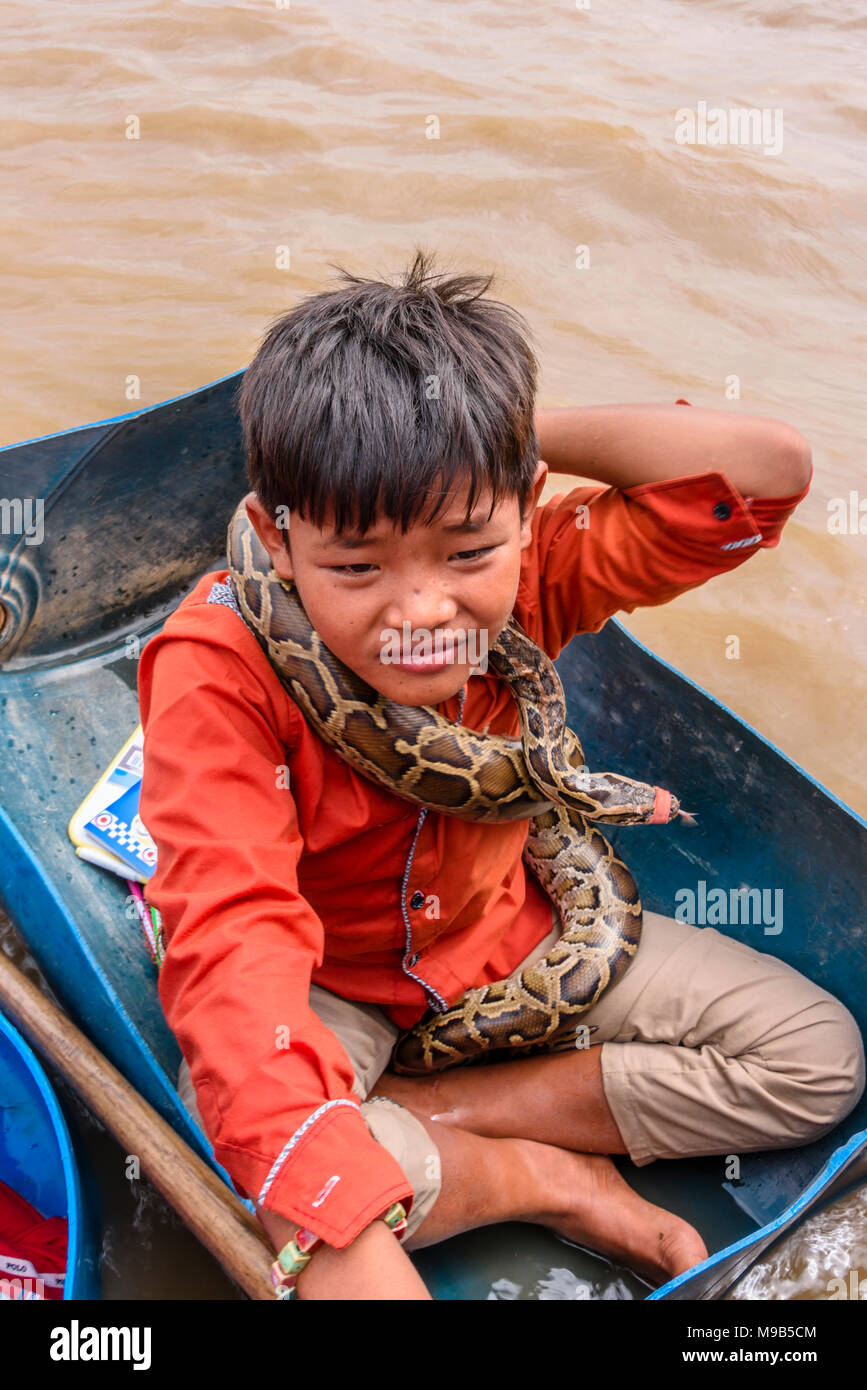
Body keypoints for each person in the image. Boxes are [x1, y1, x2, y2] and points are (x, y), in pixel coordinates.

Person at [137, 251, 864, 1300]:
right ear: (274, 539)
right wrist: (319, 1164)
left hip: (511, 935)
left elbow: (768, 466)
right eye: (356, 567)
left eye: (469, 549)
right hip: (333, 986)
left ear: (529, 511)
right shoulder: (217, 668)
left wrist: (504, 439)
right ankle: (541, 1179)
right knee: (263, 1149)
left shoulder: (537, 577)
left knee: (818, 1058)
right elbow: (234, 949)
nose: (423, 612)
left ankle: (455, 1123)